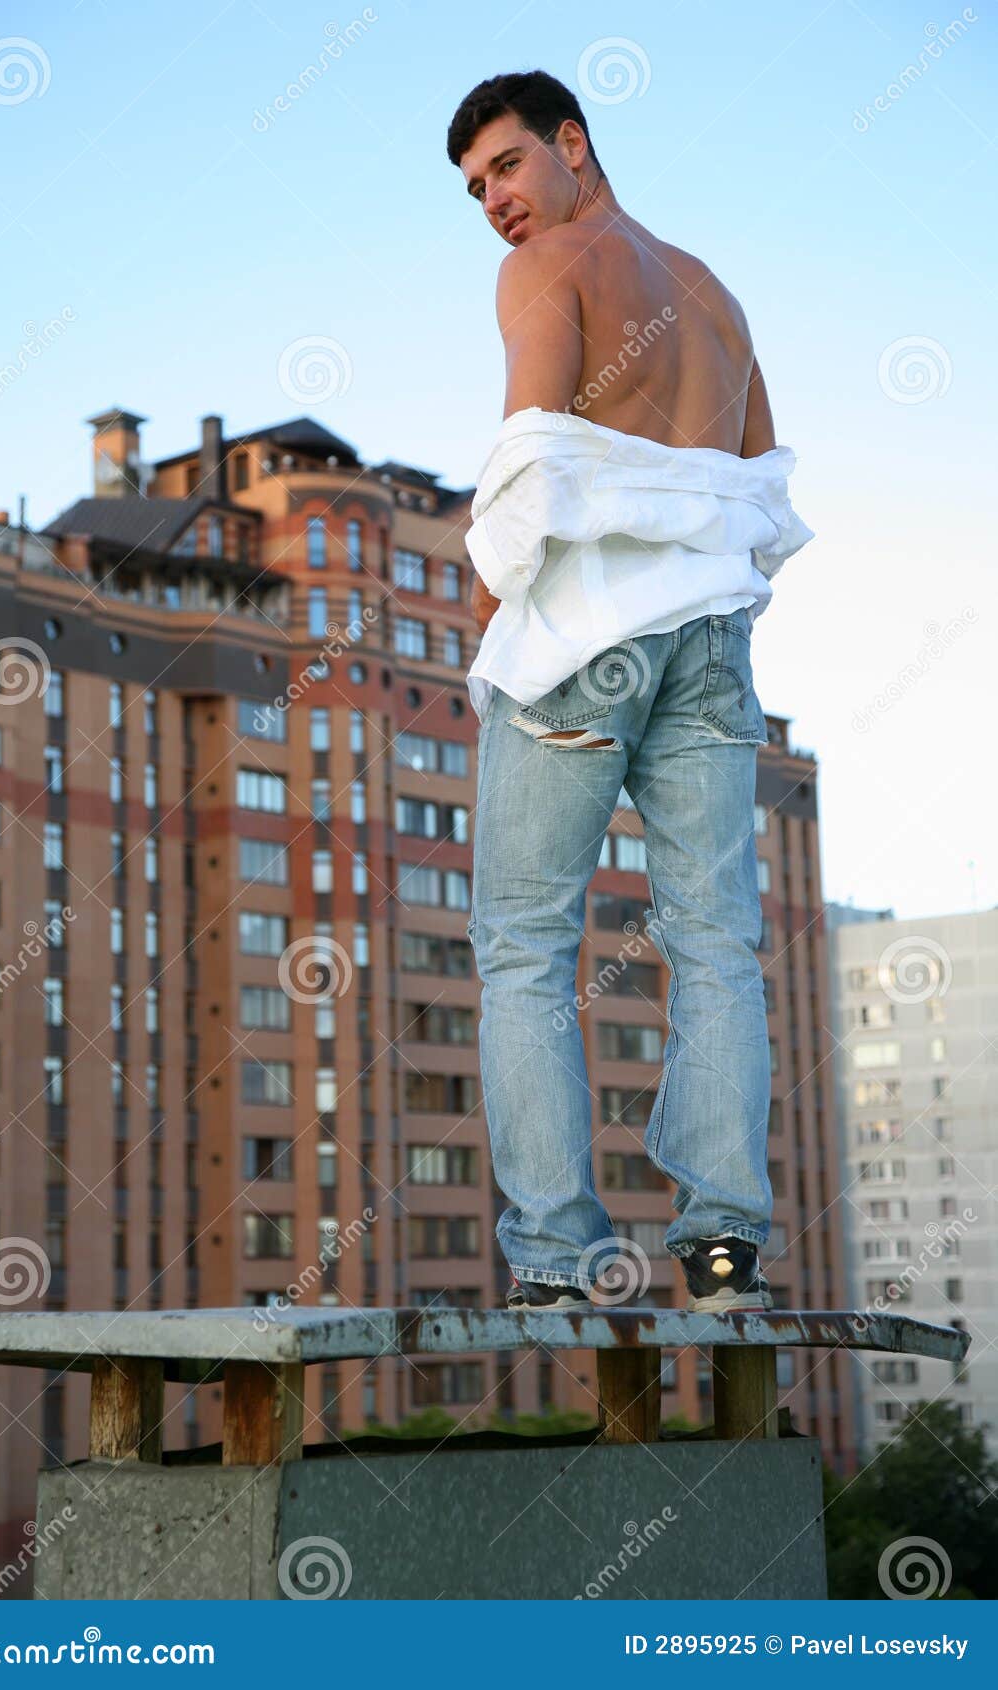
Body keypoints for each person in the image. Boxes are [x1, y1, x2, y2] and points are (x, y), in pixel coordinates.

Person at [446, 70, 813, 1314]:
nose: (494, 201)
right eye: (474, 189)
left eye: (505, 165)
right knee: (715, 942)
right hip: (709, 642)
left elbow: (529, 458)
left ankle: (557, 1258)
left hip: (583, 635)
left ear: (571, 142)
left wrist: (489, 608)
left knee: (523, 946)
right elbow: (761, 484)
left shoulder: (544, 265)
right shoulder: (712, 295)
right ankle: (722, 1246)